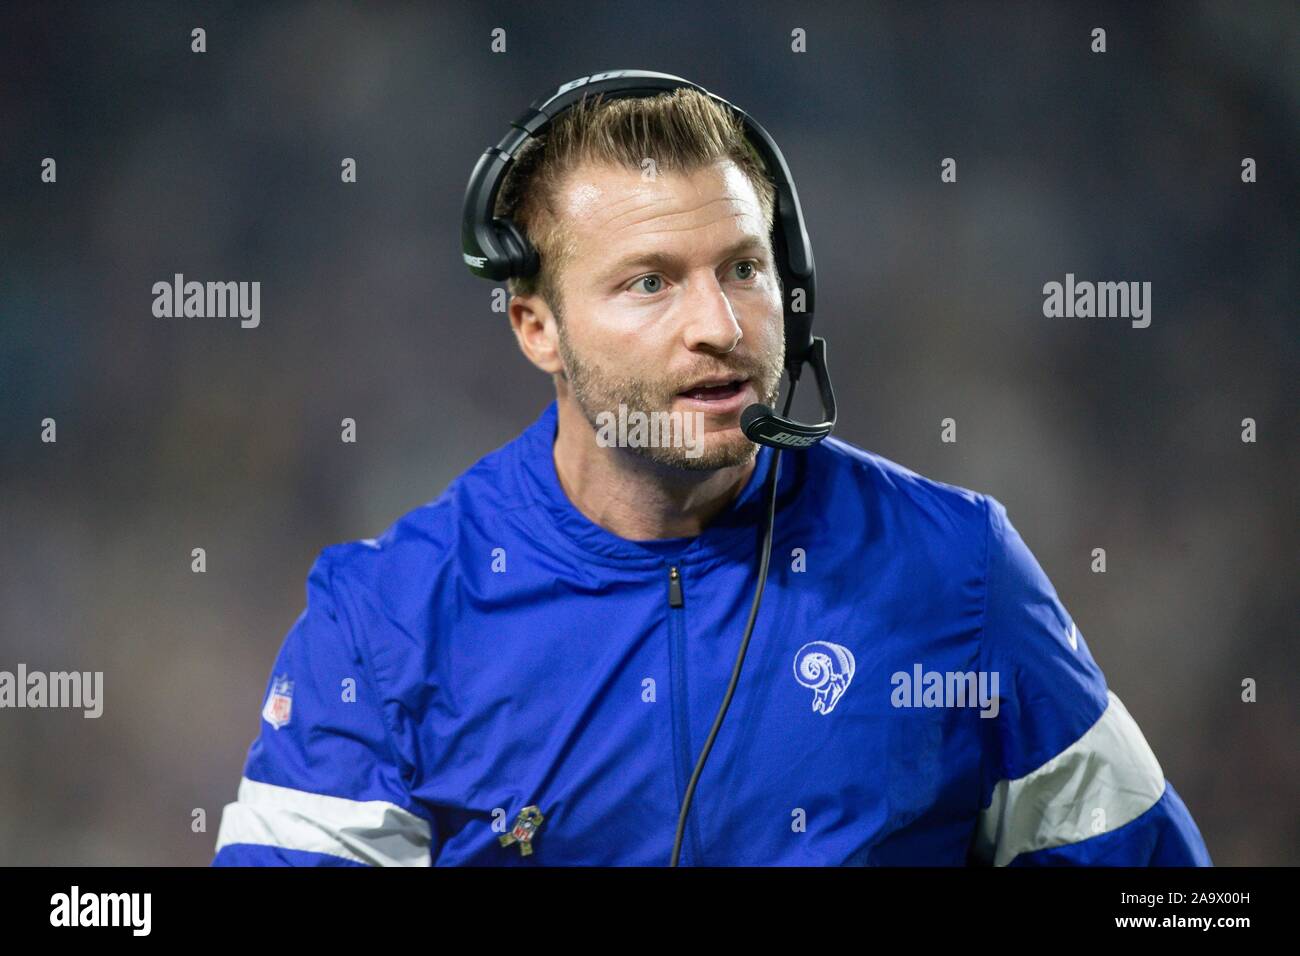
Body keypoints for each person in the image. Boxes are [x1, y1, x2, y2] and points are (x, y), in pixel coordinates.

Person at [212, 84, 1211, 866]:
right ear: (535, 325)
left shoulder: (958, 567)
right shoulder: (384, 617)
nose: (721, 327)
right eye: (649, 280)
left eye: (742, 267)